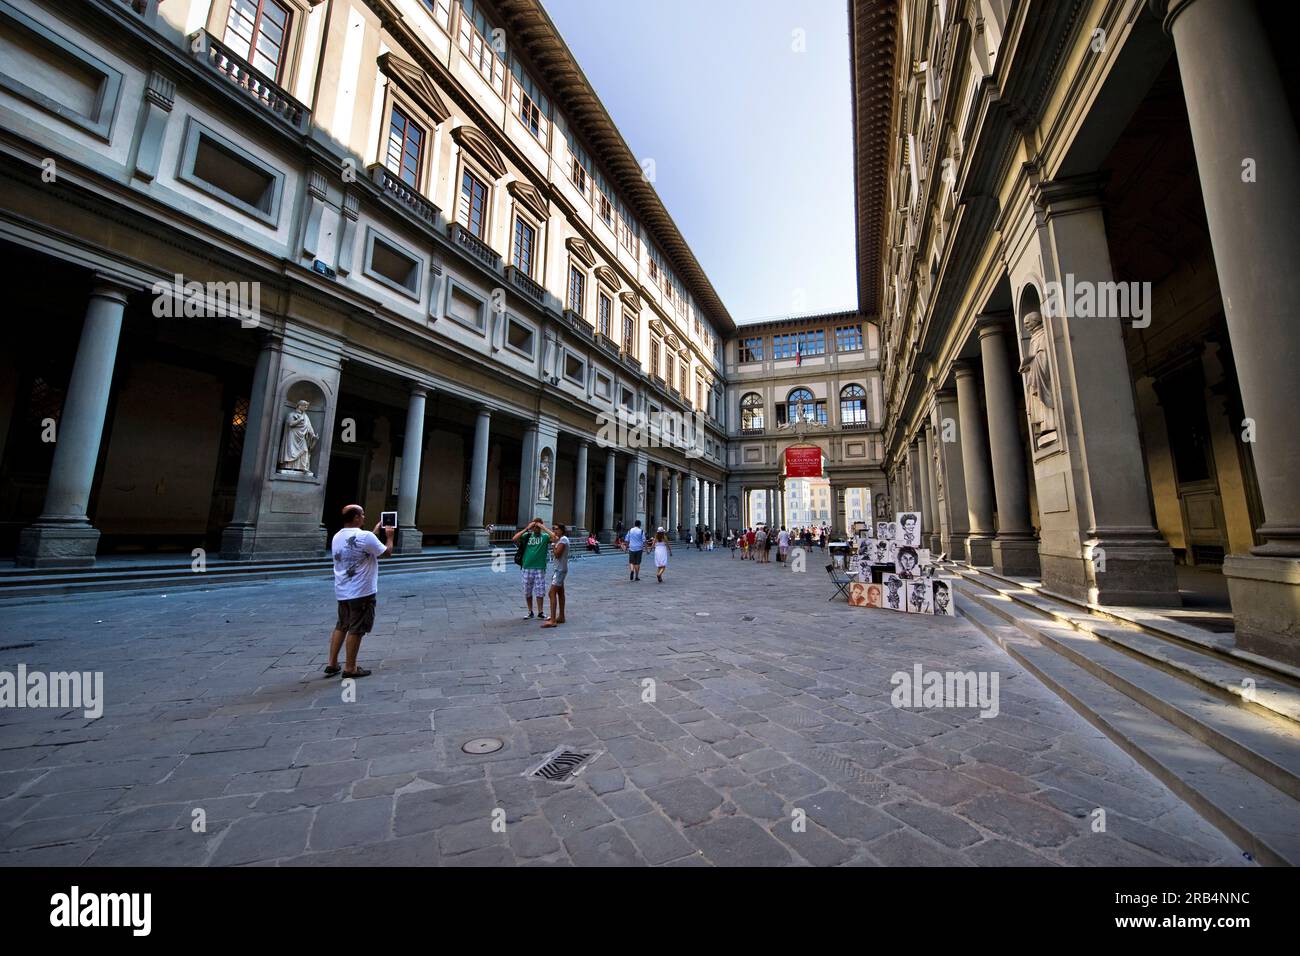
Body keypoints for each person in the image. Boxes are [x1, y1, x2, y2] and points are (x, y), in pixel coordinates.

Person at [325, 504, 393, 679]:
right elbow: (386, 553)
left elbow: (358, 548)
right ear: (355, 517)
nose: (364, 517)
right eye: (362, 514)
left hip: (342, 590)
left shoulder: (337, 536)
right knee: (356, 629)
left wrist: (374, 533)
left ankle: (332, 664)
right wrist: (390, 537)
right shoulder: (366, 536)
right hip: (362, 591)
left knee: (342, 625)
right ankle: (350, 667)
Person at [512, 517, 555, 619]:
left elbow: (555, 537)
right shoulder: (527, 535)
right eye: (534, 526)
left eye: (537, 526)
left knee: (540, 591)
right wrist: (527, 528)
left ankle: (540, 612)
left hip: (540, 567)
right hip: (527, 566)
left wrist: (543, 527)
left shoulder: (544, 537)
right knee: (527, 590)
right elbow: (514, 538)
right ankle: (530, 611)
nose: (535, 528)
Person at [541, 522, 570, 628]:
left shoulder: (563, 539)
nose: (554, 531)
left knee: (551, 593)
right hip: (559, 569)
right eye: (553, 529)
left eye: (556, 529)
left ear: (562, 530)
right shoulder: (561, 539)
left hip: (560, 570)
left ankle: (553, 620)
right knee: (560, 592)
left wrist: (553, 544)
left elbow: (557, 554)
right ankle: (561, 616)